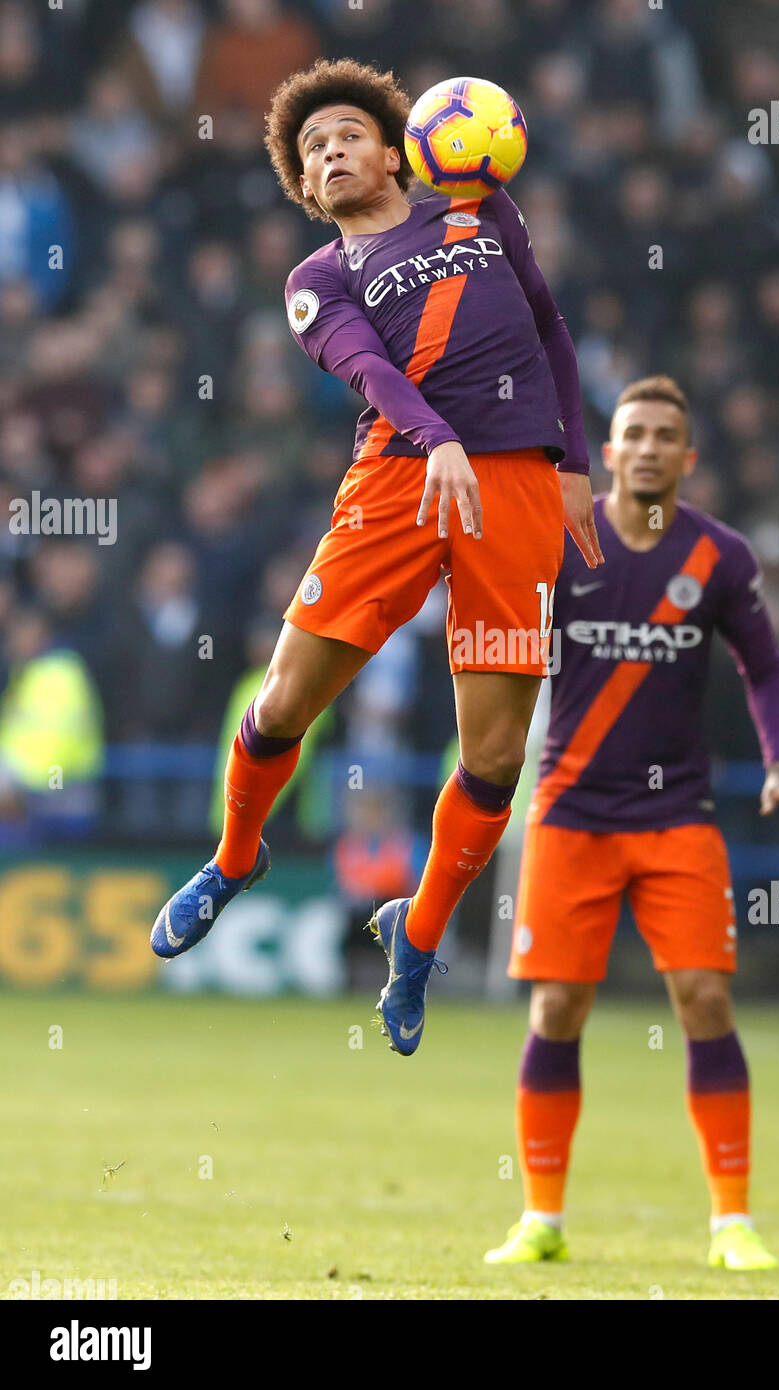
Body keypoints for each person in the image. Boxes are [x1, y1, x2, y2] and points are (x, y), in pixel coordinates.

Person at [150, 58, 603, 1057]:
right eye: (313, 151)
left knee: (491, 757)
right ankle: (234, 859)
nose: (330, 151)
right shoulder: (319, 279)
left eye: (346, 133)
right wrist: (436, 436)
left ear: (398, 151)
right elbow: (365, 363)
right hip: (398, 481)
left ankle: (420, 932)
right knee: (280, 704)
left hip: (518, 490)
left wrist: (576, 460)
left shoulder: (487, 215)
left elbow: (551, 330)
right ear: (308, 191)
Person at [484, 376, 779, 1270]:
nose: (648, 448)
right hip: (571, 809)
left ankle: (731, 1223)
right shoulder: (564, 537)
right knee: (556, 1007)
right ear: (613, 446)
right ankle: (541, 1218)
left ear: (687, 456)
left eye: (667, 435)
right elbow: (497, 626)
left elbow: (767, 670)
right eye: (633, 433)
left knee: (704, 998)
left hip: (678, 816)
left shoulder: (720, 558)